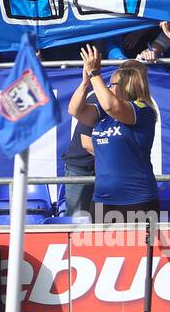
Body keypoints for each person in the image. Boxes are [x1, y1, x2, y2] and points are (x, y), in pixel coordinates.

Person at [67, 47, 159, 223]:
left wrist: (95, 74)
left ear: (127, 86)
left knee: (139, 250)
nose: (107, 88)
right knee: (102, 249)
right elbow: (74, 110)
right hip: (103, 200)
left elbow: (112, 106)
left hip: (137, 199)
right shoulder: (103, 112)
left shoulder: (142, 110)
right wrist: (86, 82)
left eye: (112, 85)